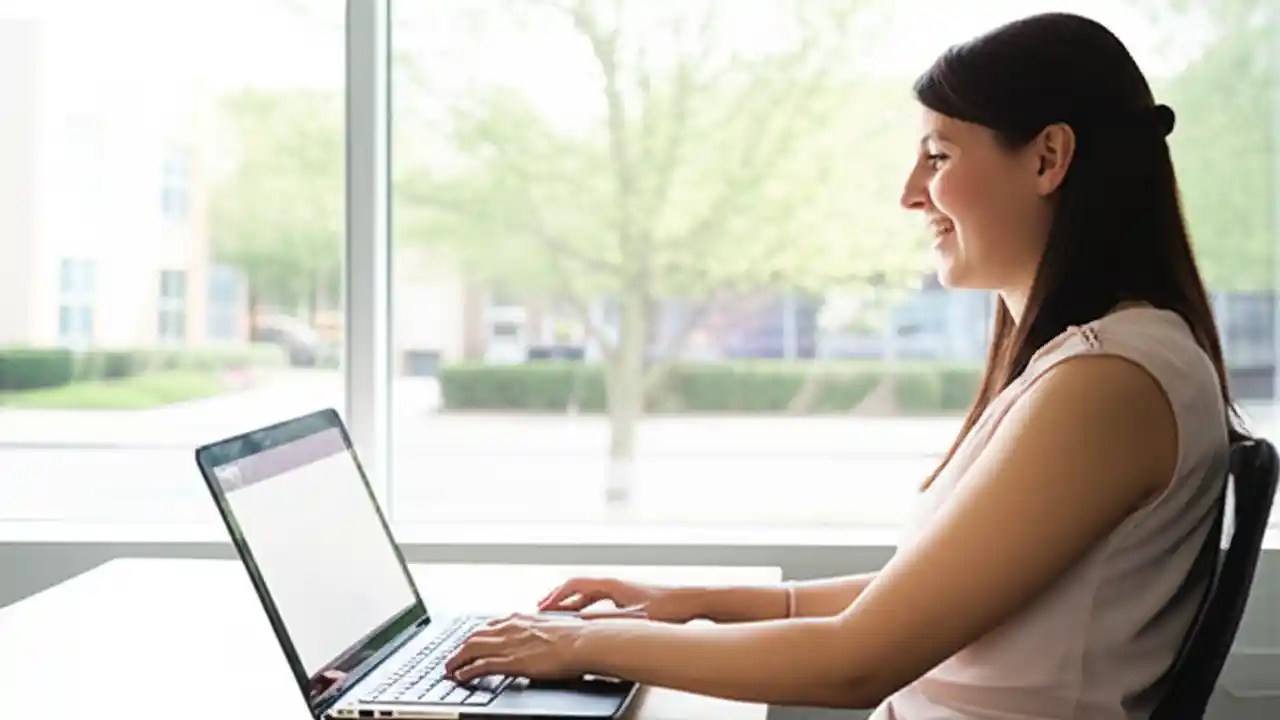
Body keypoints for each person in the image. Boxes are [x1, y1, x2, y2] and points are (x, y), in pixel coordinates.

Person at [444, 12, 1246, 717]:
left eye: (938, 155)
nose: (910, 193)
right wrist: (688, 603)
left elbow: (858, 662)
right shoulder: (1101, 365)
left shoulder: (1109, 385)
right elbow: (916, 601)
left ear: (1047, 159)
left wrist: (582, 644)